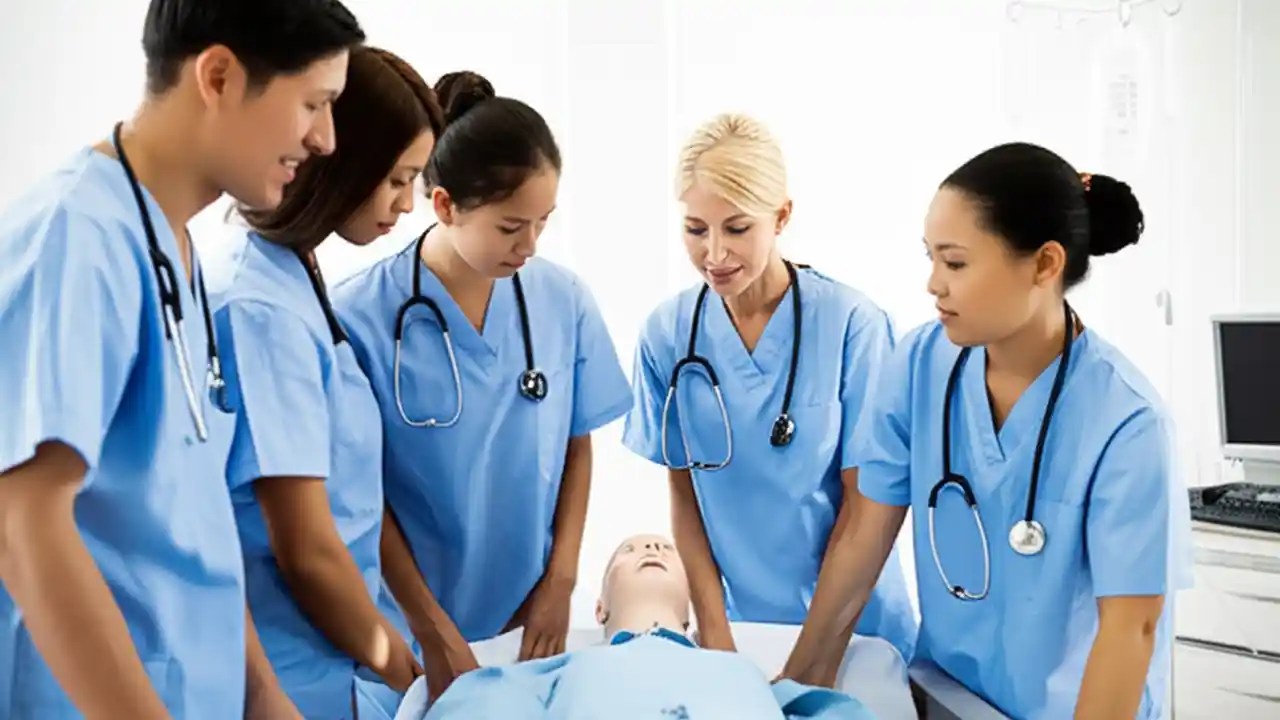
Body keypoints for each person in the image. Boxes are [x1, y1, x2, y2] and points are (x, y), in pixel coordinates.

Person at [0, 1, 364, 718]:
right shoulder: (76, 238)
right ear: (220, 76)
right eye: (313, 104)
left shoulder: (176, 249)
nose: (324, 139)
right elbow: (23, 521)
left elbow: (193, 520)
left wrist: (261, 691)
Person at [781, 142, 1194, 719]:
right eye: (929, 258)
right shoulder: (919, 365)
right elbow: (862, 536)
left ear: (1045, 265)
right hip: (947, 697)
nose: (933, 284)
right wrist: (794, 686)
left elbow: (1132, 629)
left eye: (954, 263)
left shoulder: (1127, 422)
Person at [332, 71, 632, 711]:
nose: (530, 245)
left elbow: (577, 444)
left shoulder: (563, 300)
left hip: (528, 627)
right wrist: (428, 626)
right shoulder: (357, 318)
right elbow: (363, 491)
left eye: (544, 223)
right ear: (442, 205)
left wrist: (561, 580)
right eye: (510, 226)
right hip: (412, 632)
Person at [621, 112, 918, 671]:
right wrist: (715, 633)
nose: (714, 254)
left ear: (781, 216)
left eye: (737, 229)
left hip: (855, 633)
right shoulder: (669, 334)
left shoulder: (852, 324)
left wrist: (817, 655)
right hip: (742, 631)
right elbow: (685, 498)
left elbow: (867, 508)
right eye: (694, 228)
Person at [202, 45, 444, 718]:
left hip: (328, 667)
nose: (408, 203)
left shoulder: (296, 281)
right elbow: (304, 550)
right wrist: (400, 663)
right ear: (341, 160)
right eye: (398, 179)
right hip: (289, 677)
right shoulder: (260, 309)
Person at [399, 534, 875, 719]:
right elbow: (472, 707)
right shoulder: (553, 672)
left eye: (667, 549)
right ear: (599, 609)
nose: (650, 549)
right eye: (628, 550)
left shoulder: (752, 676)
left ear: (691, 614)